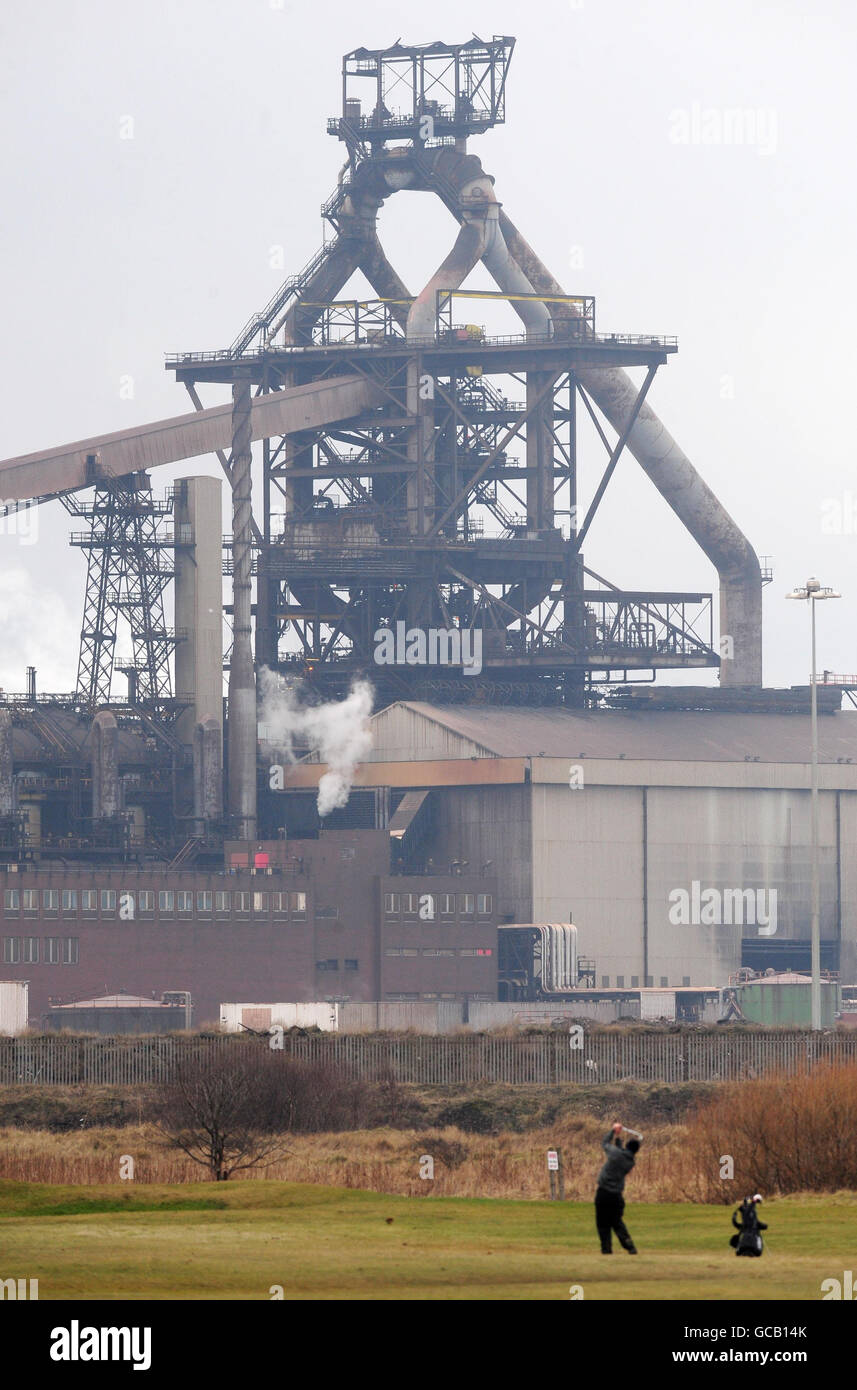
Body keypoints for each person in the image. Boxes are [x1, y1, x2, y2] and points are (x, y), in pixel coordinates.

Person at [595, 1122, 640, 1254]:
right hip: (616, 1196)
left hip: (603, 1192)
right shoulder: (631, 1162)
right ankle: (629, 1245)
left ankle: (606, 1249)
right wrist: (619, 1144)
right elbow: (624, 1154)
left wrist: (613, 1131)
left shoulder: (615, 1154)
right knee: (616, 1222)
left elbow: (605, 1143)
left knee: (602, 1222)